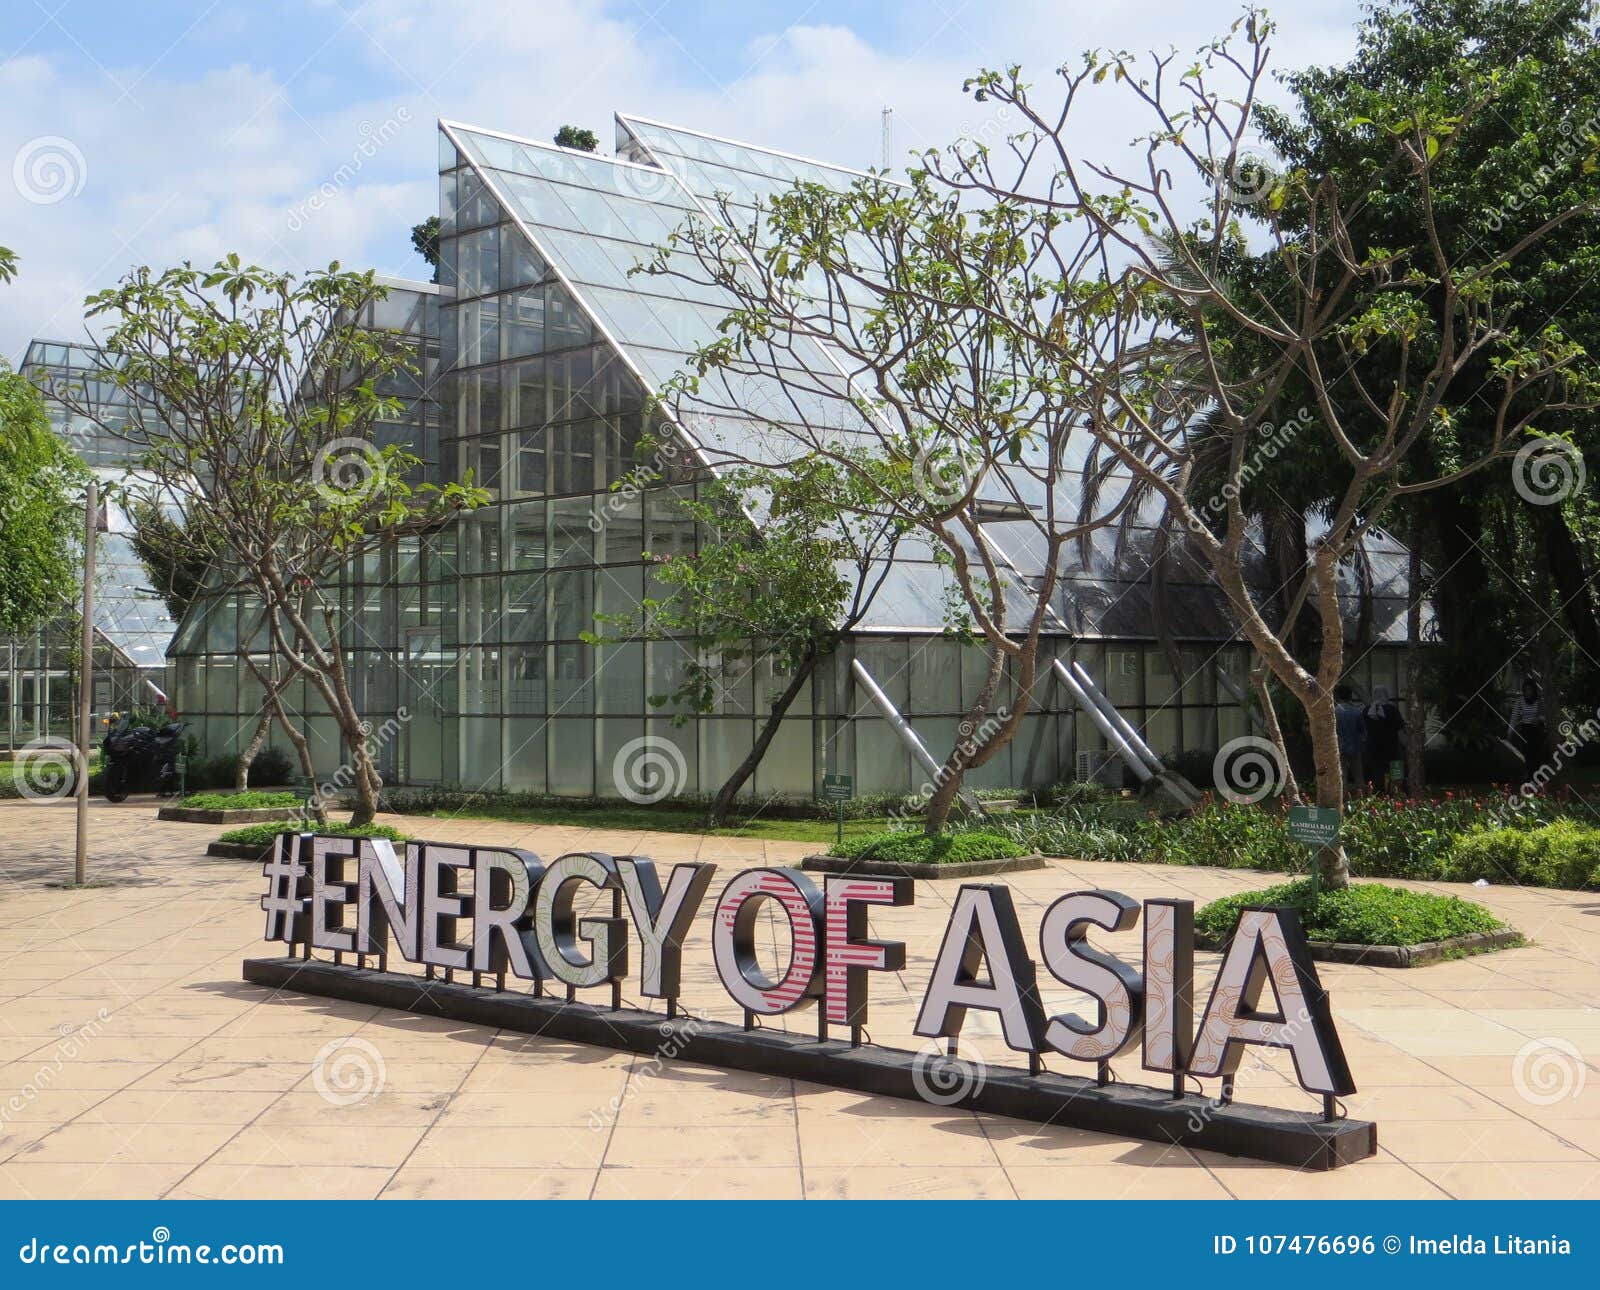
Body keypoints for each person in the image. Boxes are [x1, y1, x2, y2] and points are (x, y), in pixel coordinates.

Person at [1364, 686, 1406, 791]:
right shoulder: (1392, 710)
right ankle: (1396, 795)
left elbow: (1364, 731)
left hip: (1373, 750)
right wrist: (1407, 746)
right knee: (1396, 775)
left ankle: (1379, 796)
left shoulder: (1366, 711)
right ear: (1386, 695)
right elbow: (1400, 731)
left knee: (1378, 776)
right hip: (1393, 749)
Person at [1507, 679, 1548, 781]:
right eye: (1526, 690)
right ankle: (1530, 776)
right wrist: (1510, 731)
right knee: (1528, 753)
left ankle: (1538, 776)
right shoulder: (1520, 701)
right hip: (1526, 729)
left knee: (1537, 753)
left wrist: (1539, 719)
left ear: (1534, 690)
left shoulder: (1539, 701)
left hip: (1538, 729)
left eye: (1530, 690)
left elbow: (1546, 716)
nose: (1528, 692)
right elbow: (1514, 717)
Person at [1334, 684, 1366, 793]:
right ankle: (1362, 798)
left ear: (1338, 696)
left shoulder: (1334, 712)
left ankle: (1343, 798)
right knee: (1358, 776)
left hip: (1339, 747)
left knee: (1341, 776)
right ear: (1350, 696)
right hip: (1355, 747)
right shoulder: (1357, 712)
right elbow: (1363, 732)